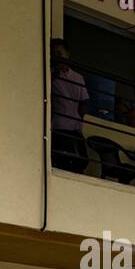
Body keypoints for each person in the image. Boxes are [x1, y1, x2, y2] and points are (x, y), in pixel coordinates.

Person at [50, 39, 90, 173]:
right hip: (59, 125)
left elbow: (84, 102)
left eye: (59, 54)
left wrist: (79, 116)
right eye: (54, 54)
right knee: (62, 160)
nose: (57, 57)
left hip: (76, 127)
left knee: (83, 161)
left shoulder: (78, 77)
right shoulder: (51, 75)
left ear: (67, 54)